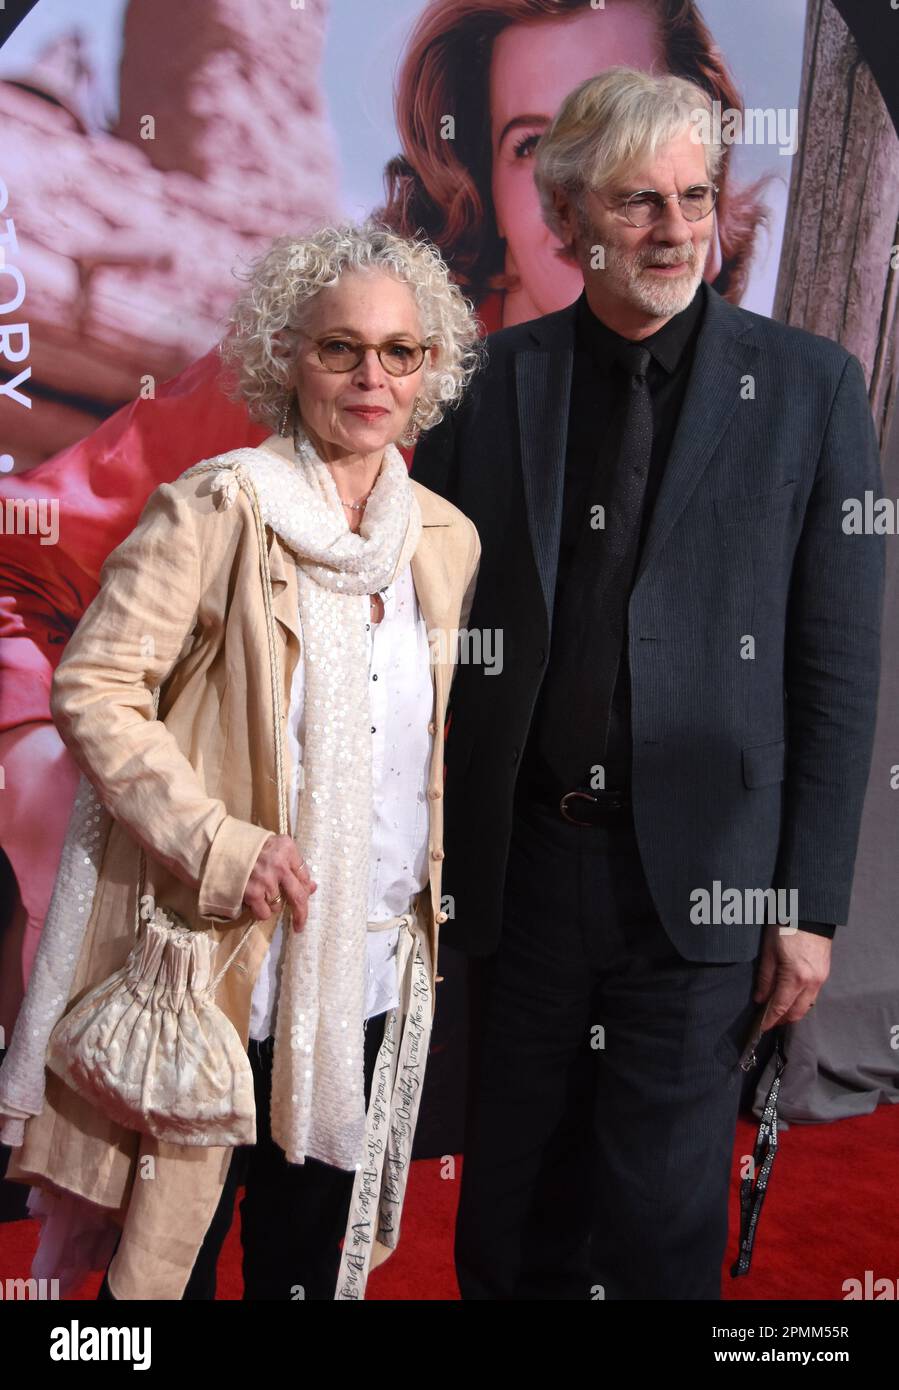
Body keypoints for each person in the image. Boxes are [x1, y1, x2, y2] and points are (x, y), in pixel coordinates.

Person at [410, 66, 885, 1299]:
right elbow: (423, 639)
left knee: (659, 1231)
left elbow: (835, 666)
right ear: (563, 219)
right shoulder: (484, 385)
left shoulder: (807, 390)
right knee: (507, 1222)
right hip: (521, 870)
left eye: (695, 197)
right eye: (637, 204)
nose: (677, 231)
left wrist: (809, 902)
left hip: (707, 884)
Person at [0, 222, 482, 1300]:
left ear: (429, 372)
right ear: (283, 358)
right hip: (221, 968)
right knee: (172, 1260)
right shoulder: (216, 504)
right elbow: (95, 685)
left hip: (367, 970)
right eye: (339, 348)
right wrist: (217, 843)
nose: (371, 377)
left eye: (399, 352)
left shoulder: (442, 538)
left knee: (309, 1261)